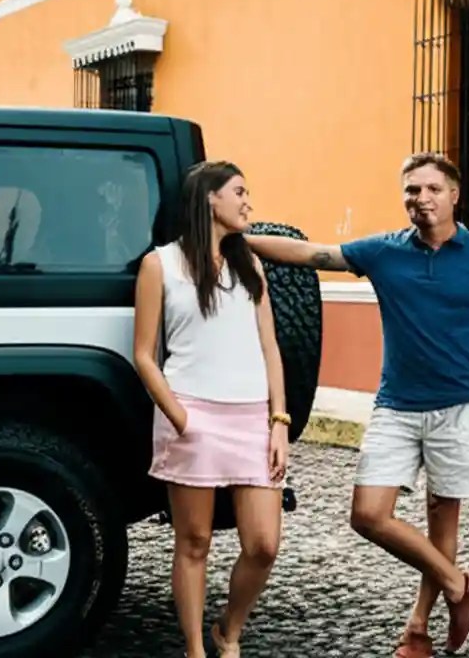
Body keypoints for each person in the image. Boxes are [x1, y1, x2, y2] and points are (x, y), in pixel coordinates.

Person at [245, 152, 469, 657]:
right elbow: (313, 255)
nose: (421, 199)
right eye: (412, 191)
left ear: (454, 195)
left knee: (443, 519)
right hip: (396, 406)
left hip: (460, 410)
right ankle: (459, 582)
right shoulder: (383, 251)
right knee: (369, 515)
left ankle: (416, 632)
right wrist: (235, 240)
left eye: (431, 189)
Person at [132, 160, 291, 658]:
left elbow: (270, 349)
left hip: (250, 418)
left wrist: (279, 422)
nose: (248, 201)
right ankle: (197, 648)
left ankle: (230, 629)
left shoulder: (250, 266)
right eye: (239, 191)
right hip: (191, 414)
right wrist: (180, 417)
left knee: (263, 544)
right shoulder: (160, 264)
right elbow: (143, 354)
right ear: (208, 199)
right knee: (194, 542)